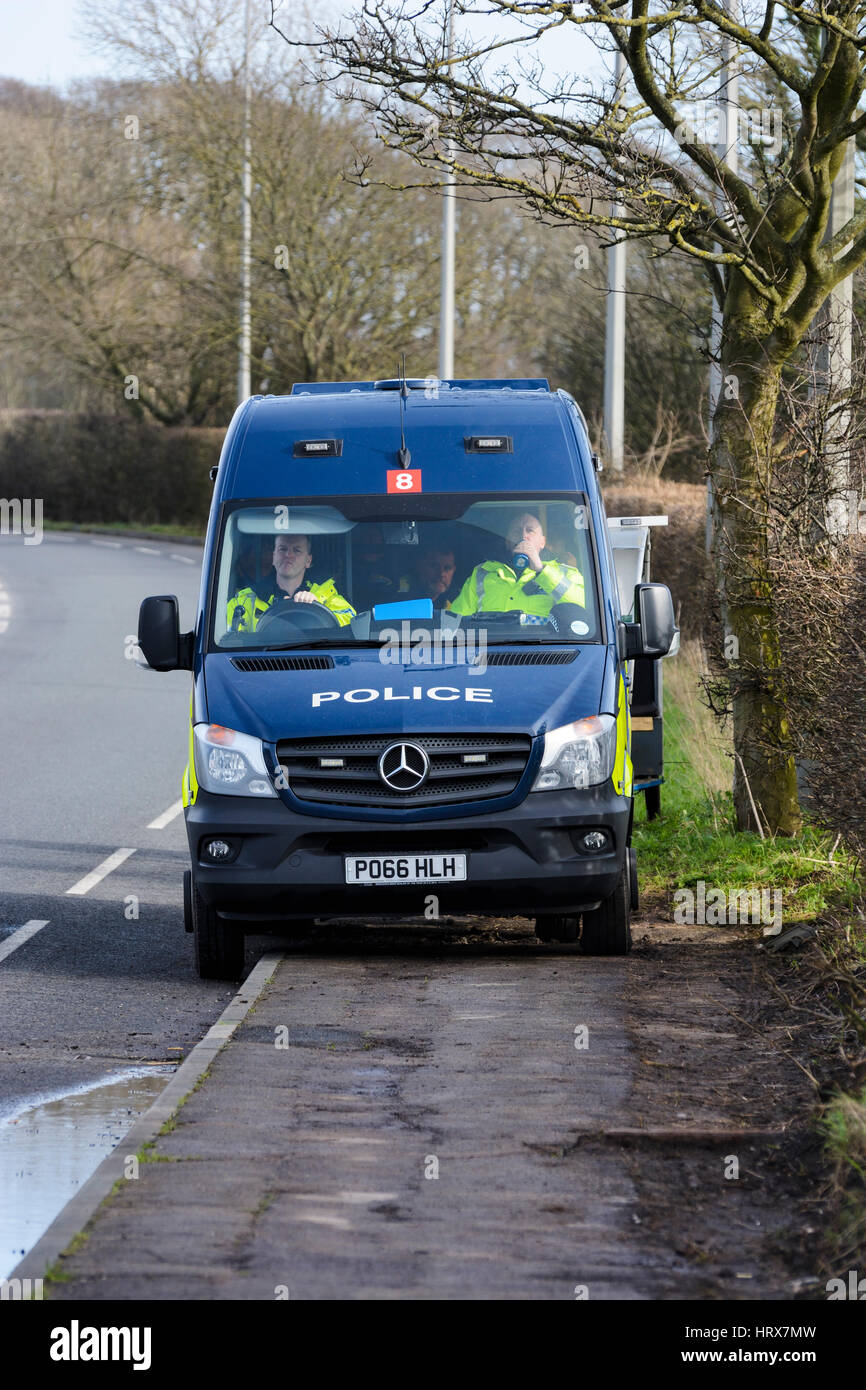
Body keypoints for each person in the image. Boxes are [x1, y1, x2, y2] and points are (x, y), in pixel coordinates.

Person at [450, 511, 585, 619]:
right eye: (517, 531)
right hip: (492, 650)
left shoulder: (565, 573)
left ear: (542, 542)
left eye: (530, 530)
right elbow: (458, 620)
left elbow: (581, 608)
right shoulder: (483, 572)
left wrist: (541, 571)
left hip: (542, 650)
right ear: (507, 542)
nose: (523, 535)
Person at [227, 533, 355, 633]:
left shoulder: (326, 596)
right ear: (273, 557)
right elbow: (225, 634)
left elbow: (352, 623)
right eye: (282, 549)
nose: (288, 555)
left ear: (308, 561)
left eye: (297, 550)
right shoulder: (246, 600)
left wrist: (317, 606)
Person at [398, 543, 457, 610]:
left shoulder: (458, 602)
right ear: (419, 566)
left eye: (447, 568)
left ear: (454, 571)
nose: (441, 573)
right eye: (434, 566)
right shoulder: (397, 590)